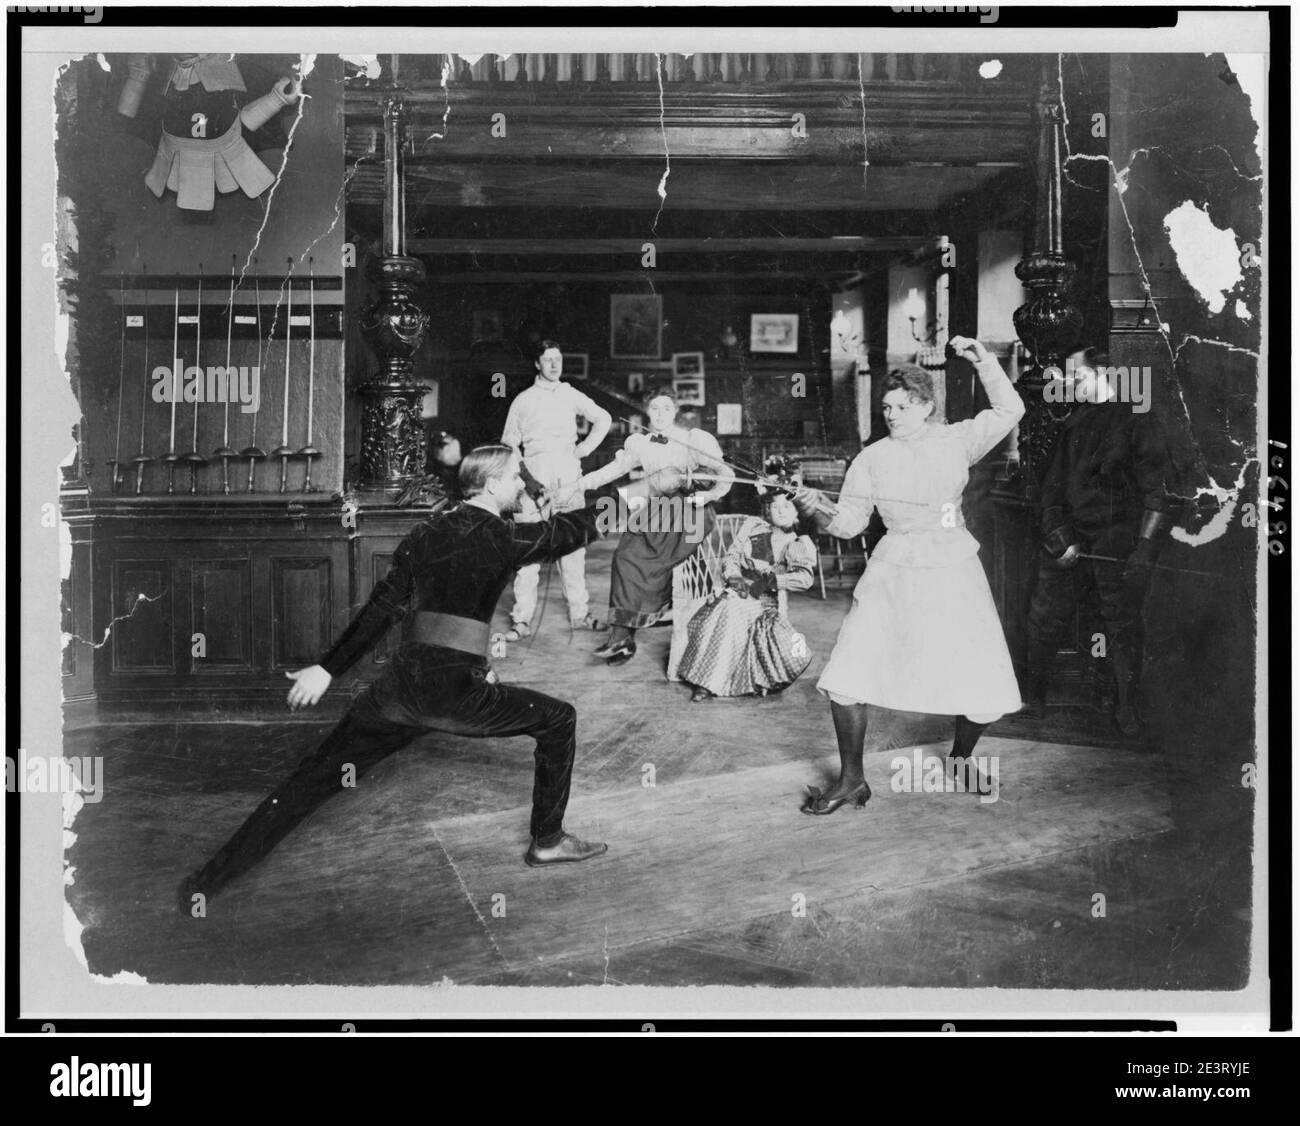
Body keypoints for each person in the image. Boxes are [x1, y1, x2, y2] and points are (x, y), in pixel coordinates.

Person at [177, 445, 609, 915]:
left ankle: (209, 879)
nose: (521, 485)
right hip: (456, 696)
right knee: (559, 719)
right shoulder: (502, 538)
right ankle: (547, 841)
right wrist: (638, 491)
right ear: (490, 485)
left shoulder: (425, 532)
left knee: (309, 781)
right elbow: (569, 533)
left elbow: (383, 609)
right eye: (514, 479)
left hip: (399, 692)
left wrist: (327, 668)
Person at [792, 336, 1025, 814]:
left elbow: (1010, 409)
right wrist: (816, 510)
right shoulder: (871, 459)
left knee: (978, 672)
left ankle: (960, 759)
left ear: (926, 406)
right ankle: (852, 779)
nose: (891, 414)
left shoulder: (958, 439)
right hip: (893, 568)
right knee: (849, 670)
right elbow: (851, 524)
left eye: (901, 405)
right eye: (886, 407)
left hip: (954, 564)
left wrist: (984, 362)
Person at [1025, 347, 1176, 736]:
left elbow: (1157, 492)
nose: (1069, 383)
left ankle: (1126, 708)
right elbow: (1051, 492)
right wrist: (1062, 539)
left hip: (1117, 544)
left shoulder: (1139, 418)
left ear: (1105, 374)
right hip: (1071, 542)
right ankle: (1033, 699)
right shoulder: (1074, 423)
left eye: (1077, 375)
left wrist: (1143, 548)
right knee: (1044, 616)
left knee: (1120, 626)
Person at [570, 392, 731, 664]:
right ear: (646, 411)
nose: (659, 413)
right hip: (656, 510)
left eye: (666, 408)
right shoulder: (640, 443)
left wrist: (708, 496)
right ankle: (620, 637)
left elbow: (726, 473)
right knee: (624, 556)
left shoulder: (693, 439)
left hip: (690, 510)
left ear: (675, 410)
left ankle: (656, 611)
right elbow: (613, 470)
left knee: (652, 560)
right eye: (654, 408)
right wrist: (578, 484)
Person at [500, 340, 611, 641]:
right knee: (529, 550)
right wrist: (530, 482)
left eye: (558, 359)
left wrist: (583, 450)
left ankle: (580, 614)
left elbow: (604, 418)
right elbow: (509, 445)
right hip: (532, 477)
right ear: (537, 363)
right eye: (547, 360)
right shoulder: (523, 399)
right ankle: (521, 620)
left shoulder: (570, 394)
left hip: (568, 475)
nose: (553, 365)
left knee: (573, 549)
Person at [676, 492, 817, 702]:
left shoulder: (796, 542)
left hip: (764, 600)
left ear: (797, 513)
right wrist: (733, 576)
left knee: (731, 608)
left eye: (787, 507)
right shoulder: (753, 525)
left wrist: (772, 581)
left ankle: (708, 684)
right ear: (768, 508)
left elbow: (805, 578)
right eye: (775, 506)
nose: (779, 511)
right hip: (738, 589)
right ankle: (705, 677)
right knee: (727, 604)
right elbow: (732, 555)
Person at [428, 430, 463, 501]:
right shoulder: (433, 470)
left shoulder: (464, 467)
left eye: (442, 445)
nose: (437, 449)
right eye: (435, 444)